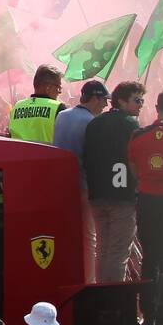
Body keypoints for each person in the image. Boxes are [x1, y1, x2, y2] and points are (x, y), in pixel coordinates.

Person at [84, 81, 145, 284]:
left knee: (102, 249)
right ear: (121, 100)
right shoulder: (131, 124)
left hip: (97, 195)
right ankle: (114, 304)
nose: (141, 104)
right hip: (122, 197)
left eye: (142, 100)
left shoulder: (94, 123)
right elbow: (136, 159)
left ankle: (102, 298)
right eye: (137, 100)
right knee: (118, 253)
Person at [53, 79, 109, 284]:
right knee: (88, 237)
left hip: (60, 185)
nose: (105, 105)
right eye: (104, 100)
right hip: (83, 185)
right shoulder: (92, 122)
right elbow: (93, 157)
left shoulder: (62, 115)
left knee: (65, 233)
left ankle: (65, 275)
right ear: (95, 98)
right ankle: (88, 281)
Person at [128, 88, 163, 325]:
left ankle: (146, 311)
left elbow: (134, 169)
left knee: (150, 257)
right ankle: (162, 317)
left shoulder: (138, 134)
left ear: (156, 107)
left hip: (145, 201)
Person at [9, 65, 64, 143]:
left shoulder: (16, 106)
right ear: (48, 87)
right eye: (58, 87)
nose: (59, 91)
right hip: (47, 155)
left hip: (18, 155)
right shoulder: (58, 108)